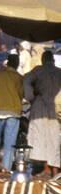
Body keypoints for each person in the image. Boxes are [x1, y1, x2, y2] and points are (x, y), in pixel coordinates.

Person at [23, 50, 61, 178]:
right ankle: (54, 170)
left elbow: (25, 80)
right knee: (54, 138)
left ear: (43, 60)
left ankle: (46, 167)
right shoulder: (59, 72)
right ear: (53, 60)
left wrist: (31, 96)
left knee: (41, 137)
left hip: (39, 105)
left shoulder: (38, 71)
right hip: (55, 106)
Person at [0, 52, 24, 173]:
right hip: (13, 111)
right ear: (17, 64)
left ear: (7, 63)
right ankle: (5, 169)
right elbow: (21, 94)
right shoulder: (18, 77)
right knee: (10, 142)